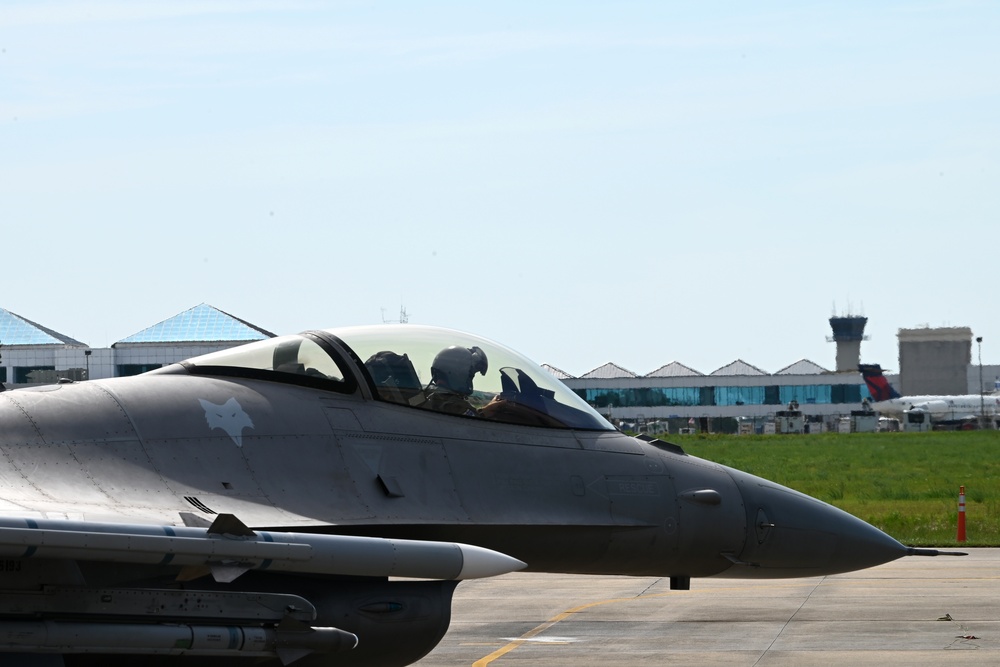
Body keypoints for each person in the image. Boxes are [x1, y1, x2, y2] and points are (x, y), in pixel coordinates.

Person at [423, 345, 488, 416]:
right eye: (470, 376)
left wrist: (486, 409)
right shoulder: (458, 406)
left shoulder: (430, 398)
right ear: (457, 373)